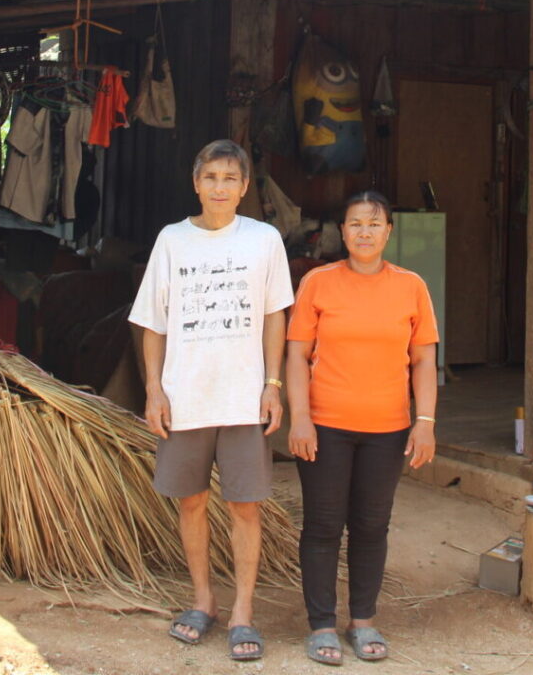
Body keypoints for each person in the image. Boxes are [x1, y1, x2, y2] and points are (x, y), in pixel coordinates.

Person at [129, 139, 293, 662]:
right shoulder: (172, 241)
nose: (220, 187)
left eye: (230, 178)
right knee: (192, 501)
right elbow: (153, 322)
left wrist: (273, 385)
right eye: (211, 177)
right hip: (185, 396)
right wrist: (154, 388)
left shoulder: (264, 240)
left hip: (243, 397)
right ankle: (203, 600)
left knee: (245, 505)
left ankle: (243, 610)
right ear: (195, 183)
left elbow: (275, 317)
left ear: (245, 188)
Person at [286, 191, 439, 665]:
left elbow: (424, 359)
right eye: (355, 224)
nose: (365, 233)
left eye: (374, 225)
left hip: (388, 428)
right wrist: (301, 418)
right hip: (326, 426)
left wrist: (425, 422)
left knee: (372, 525)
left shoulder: (411, 286)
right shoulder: (319, 283)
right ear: (343, 231)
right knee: (323, 524)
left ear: (389, 232)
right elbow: (295, 354)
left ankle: (364, 620)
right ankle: (321, 624)